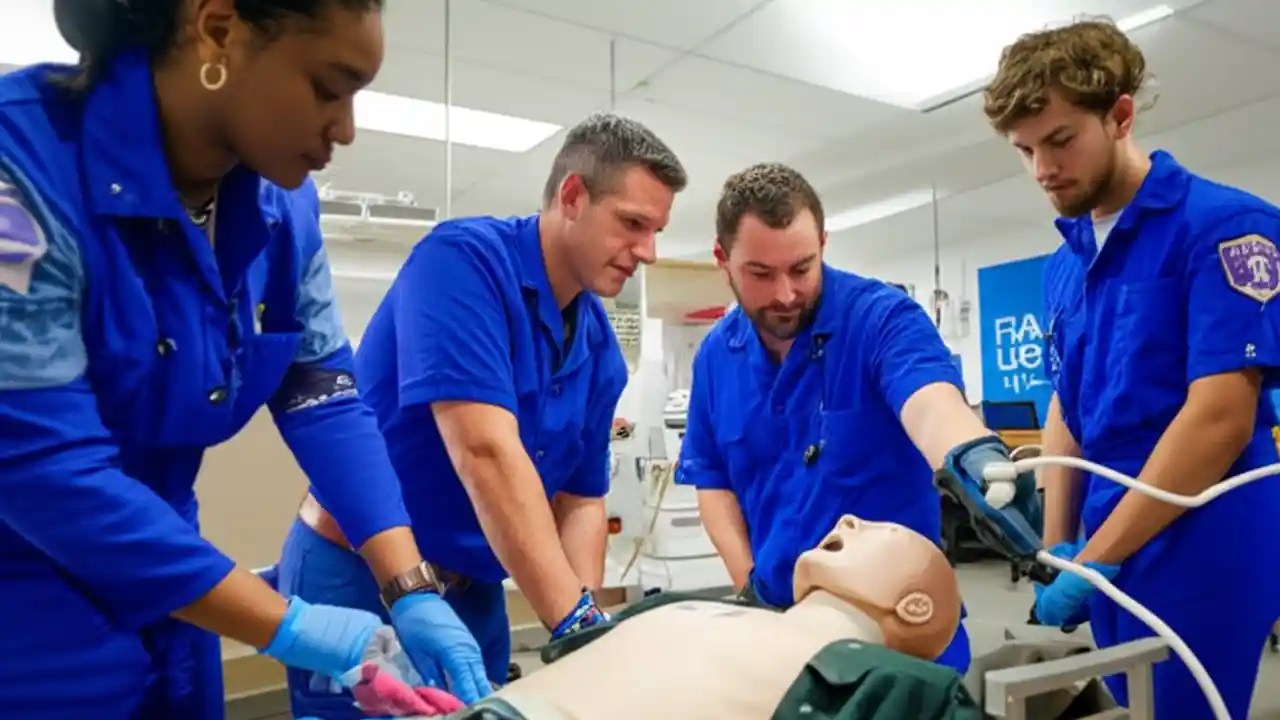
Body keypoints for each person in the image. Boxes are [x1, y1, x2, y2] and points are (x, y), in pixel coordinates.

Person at [0, 1, 493, 718]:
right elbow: (41, 464)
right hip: (29, 598)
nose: (346, 129)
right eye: (329, 87)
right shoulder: (22, 166)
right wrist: (288, 624)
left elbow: (322, 395)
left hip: (176, 581)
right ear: (219, 28)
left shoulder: (280, 208)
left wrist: (408, 587)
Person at [276, 112, 689, 714]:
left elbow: (581, 501)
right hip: (359, 574)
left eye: (657, 231)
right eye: (632, 224)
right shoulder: (463, 262)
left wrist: (581, 632)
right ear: (572, 196)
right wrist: (574, 620)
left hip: (474, 592)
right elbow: (484, 451)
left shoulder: (599, 347)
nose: (646, 252)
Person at [984, 18, 1280, 719]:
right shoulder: (1065, 262)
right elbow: (1067, 406)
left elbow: (1220, 415)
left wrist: (1095, 561)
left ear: (1120, 116)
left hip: (1203, 528)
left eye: (1060, 141)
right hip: (1105, 530)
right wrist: (1058, 543)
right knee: (1127, 705)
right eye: (1024, 150)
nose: (1042, 169)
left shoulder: (1226, 227)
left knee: (1180, 708)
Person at [674, 162, 1041, 676]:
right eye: (760, 273)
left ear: (823, 244)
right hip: (783, 628)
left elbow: (932, 404)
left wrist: (972, 455)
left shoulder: (881, 318)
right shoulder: (716, 357)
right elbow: (713, 481)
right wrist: (750, 586)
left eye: (802, 267)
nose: (784, 294)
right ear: (723, 259)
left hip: (900, 638)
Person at [336, 515, 981, 720]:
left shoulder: (897, 685)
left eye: (874, 530)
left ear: (914, 606)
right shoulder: (702, 607)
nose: (846, 519)